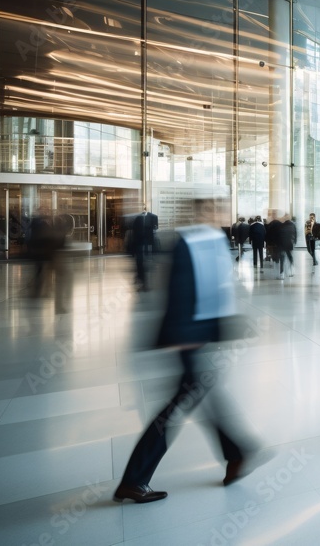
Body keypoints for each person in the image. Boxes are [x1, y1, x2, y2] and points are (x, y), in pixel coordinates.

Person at [113, 199, 261, 504]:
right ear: (201, 213)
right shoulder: (186, 243)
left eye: (220, 210)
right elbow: (178, 290)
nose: (219, 214)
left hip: (199, 335)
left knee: (197, 396)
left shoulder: (212, 240)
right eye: (213, 210)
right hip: (189, 338)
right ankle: (134, 479)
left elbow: (221, 286)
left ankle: (236, 453)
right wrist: (183, 335)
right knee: (182, 402)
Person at [131, 209, 158, 291]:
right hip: (139, 244)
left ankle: (140, 280)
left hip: (144, 244)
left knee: (142, 264)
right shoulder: (138, 219)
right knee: (140, 264)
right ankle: (142, 282)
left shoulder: (151, 217)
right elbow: (134, 233)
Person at [277, 214, 297, 279]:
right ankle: (292, 270)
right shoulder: (293, 225)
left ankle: (282, 273)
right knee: (290, 256)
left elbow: (279, 235)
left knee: (282, 259)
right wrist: (294, 242)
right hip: (289, 243)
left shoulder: (281, 225)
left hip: (282, 244)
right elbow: (295, 234)